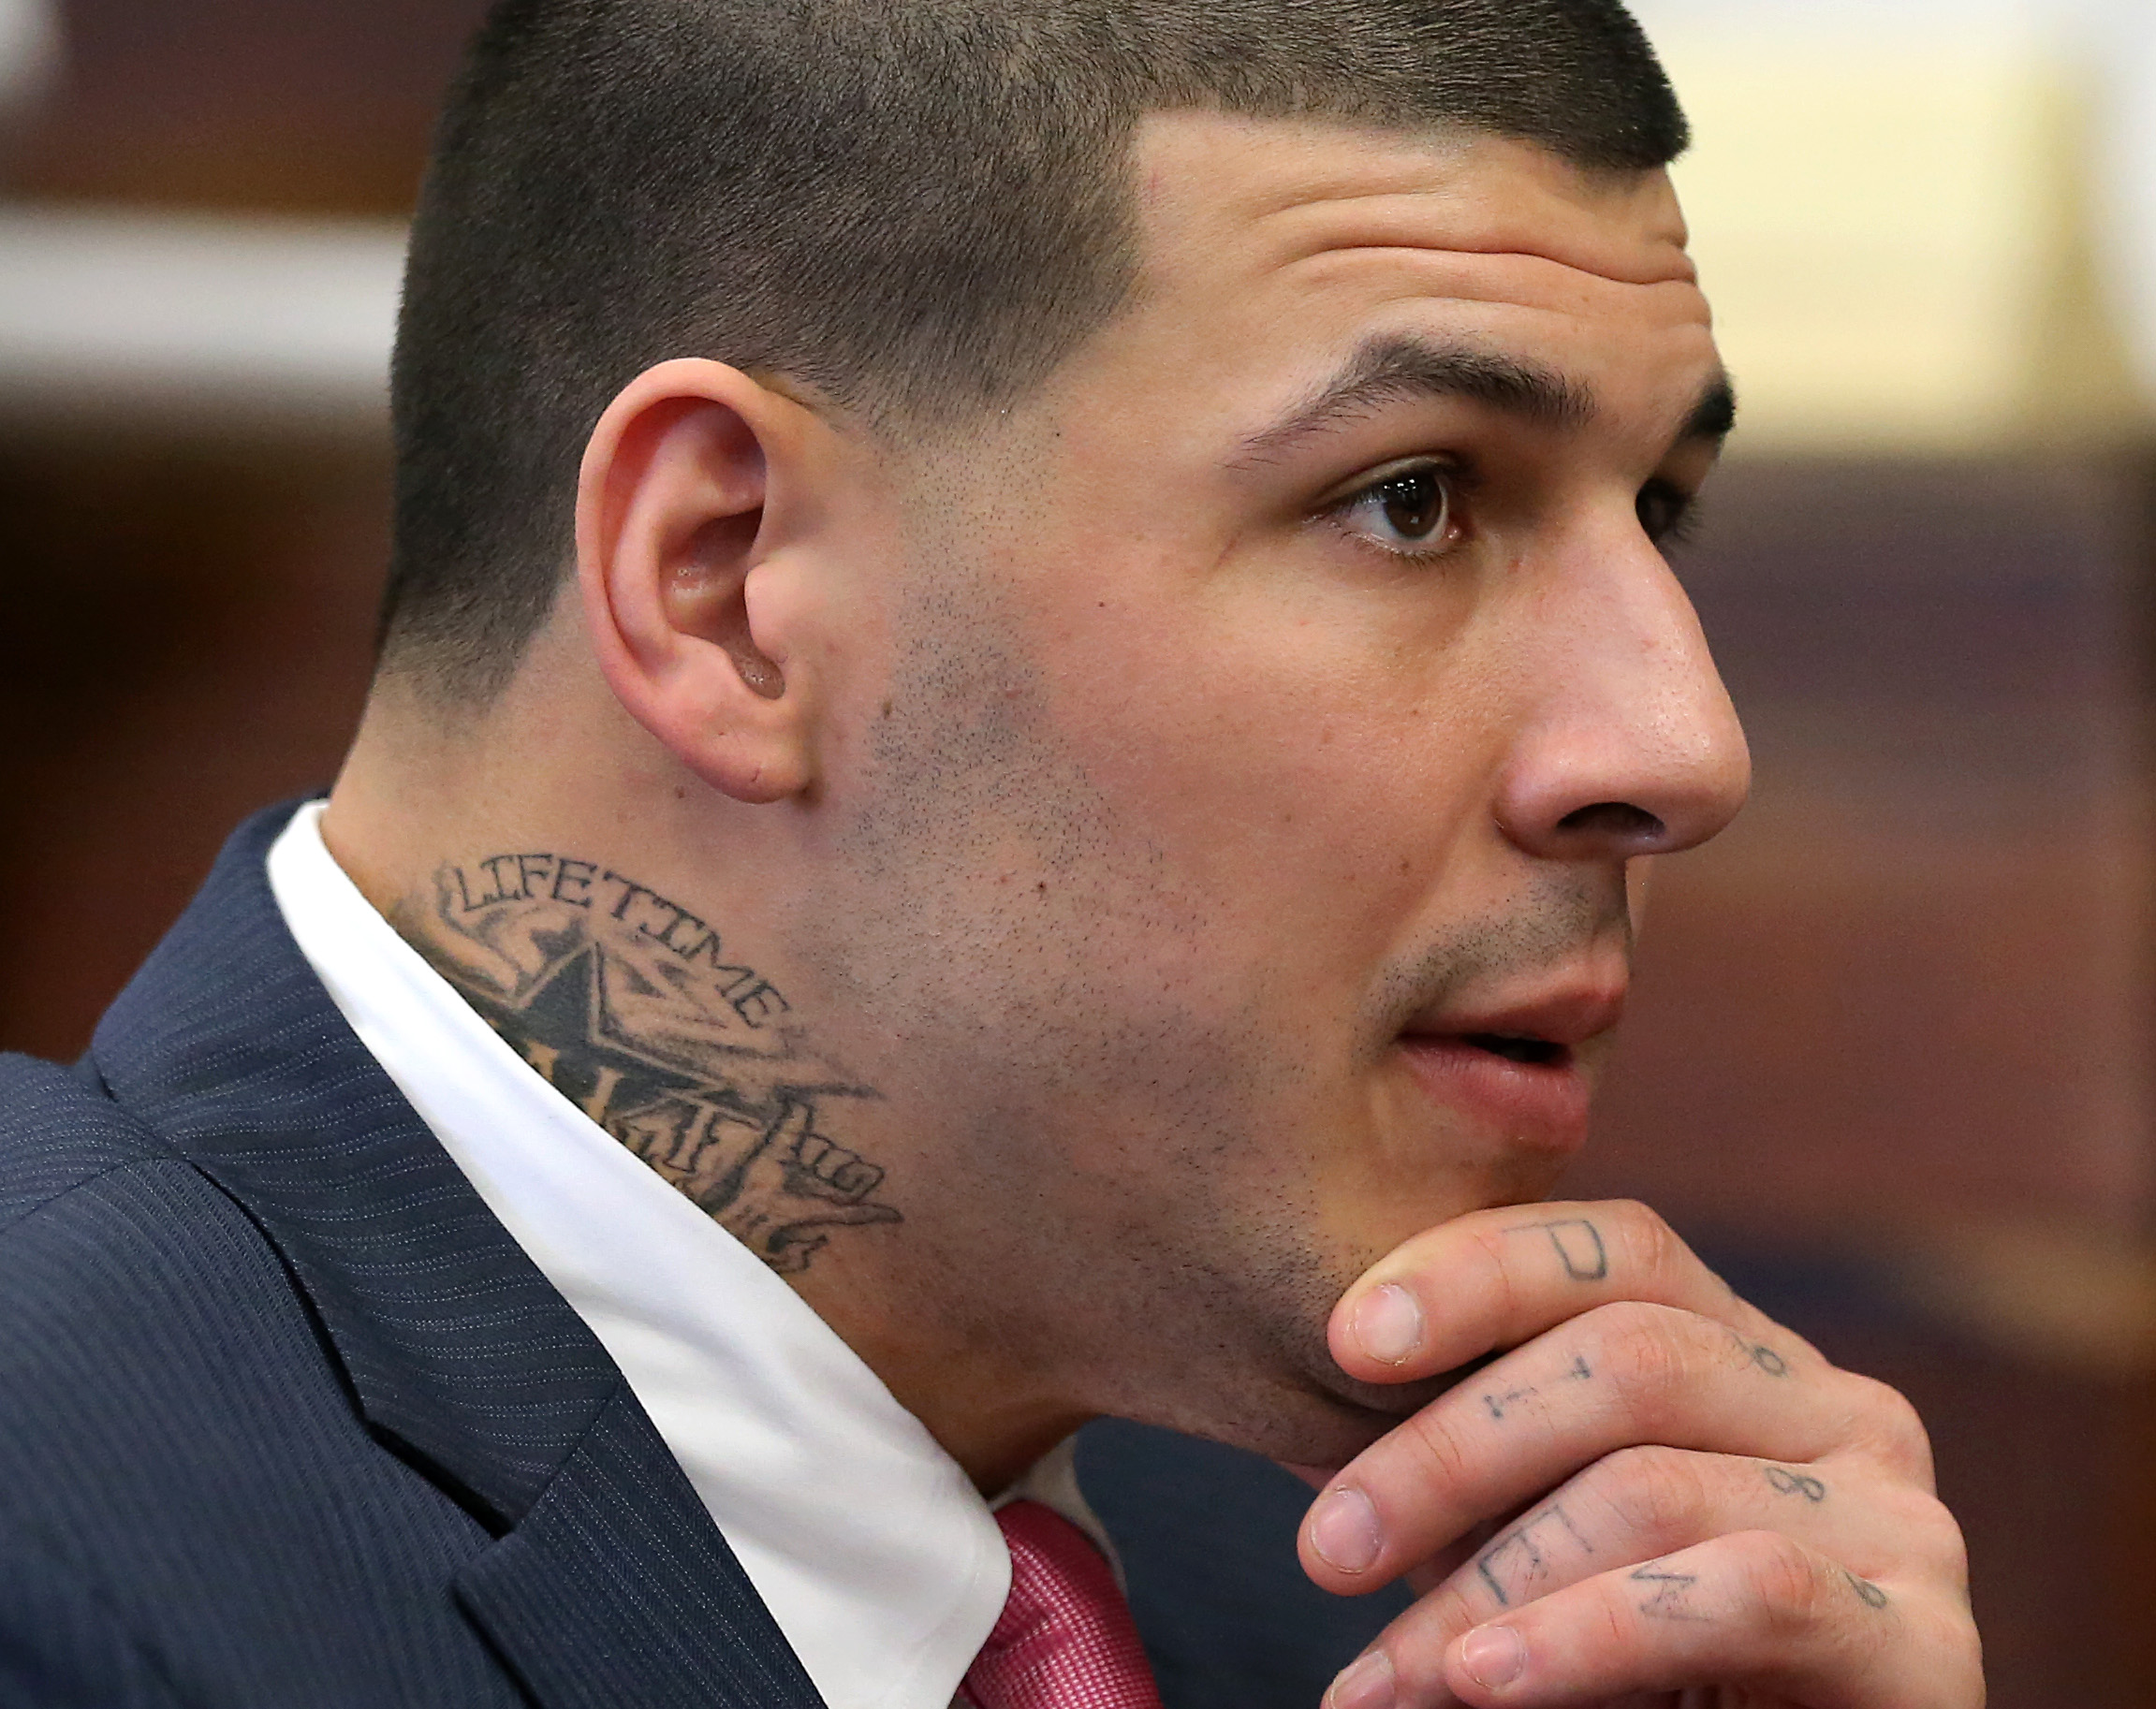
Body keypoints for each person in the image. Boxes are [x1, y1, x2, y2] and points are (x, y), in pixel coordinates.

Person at [0, 2, 1982, 1706]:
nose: (1682, 748)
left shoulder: (1407, 1594)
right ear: (724, 584)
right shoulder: (55, 1549)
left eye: (1663, 511)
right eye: (1412, 498)